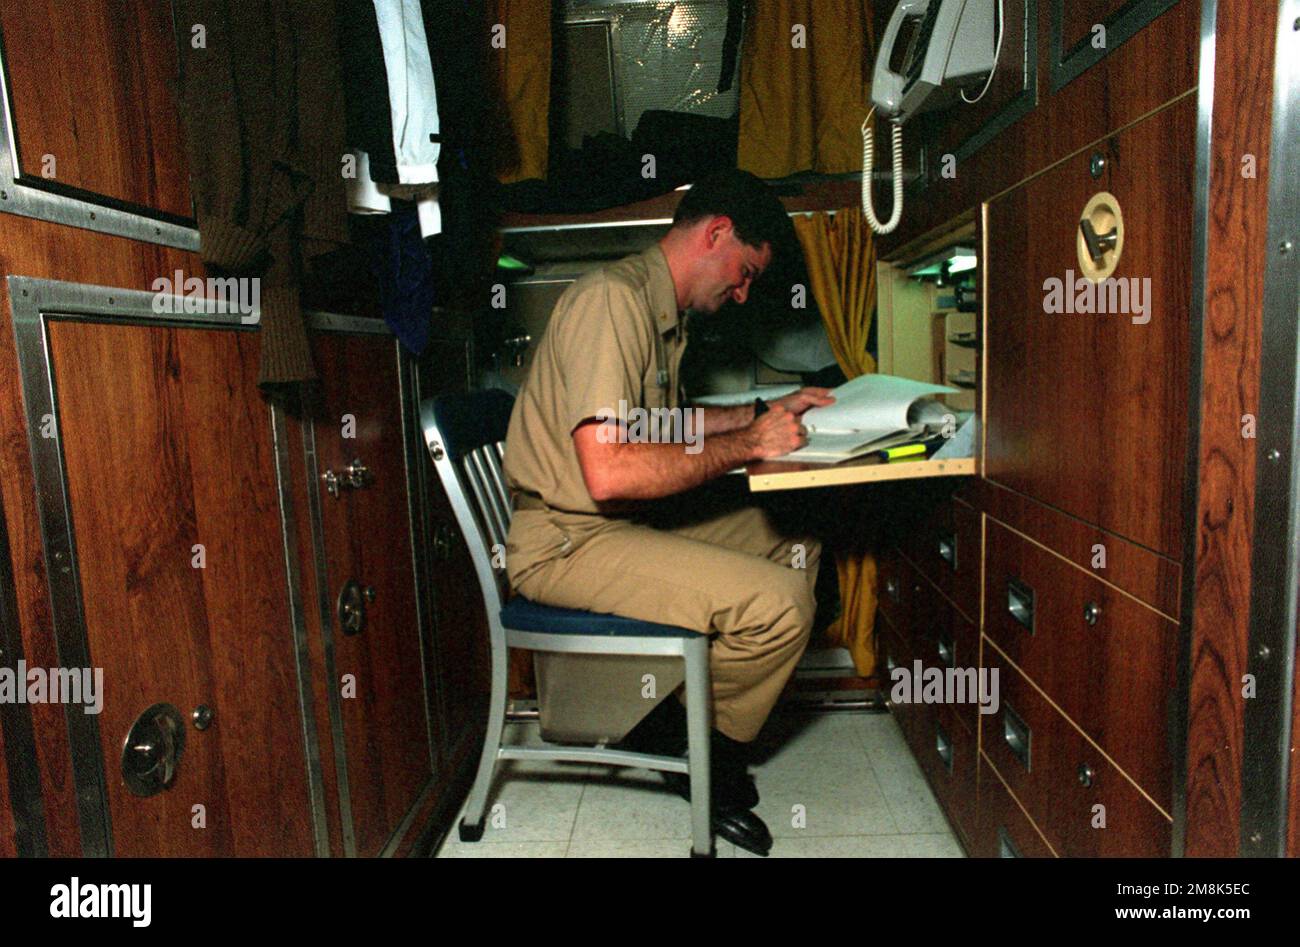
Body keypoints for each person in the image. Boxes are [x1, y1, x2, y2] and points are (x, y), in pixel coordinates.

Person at [502, 169, 832, 856]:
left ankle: (674, 724)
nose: (742, 293)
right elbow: (611, 468)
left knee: (795, 538)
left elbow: (666, 427)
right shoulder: (612, 303)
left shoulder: (659, 313)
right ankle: (697, 749)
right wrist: (750, 444)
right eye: (743, 272)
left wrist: (763, 412)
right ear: (715, 234)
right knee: (780, 605)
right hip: (564, 541)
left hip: (603, 524)